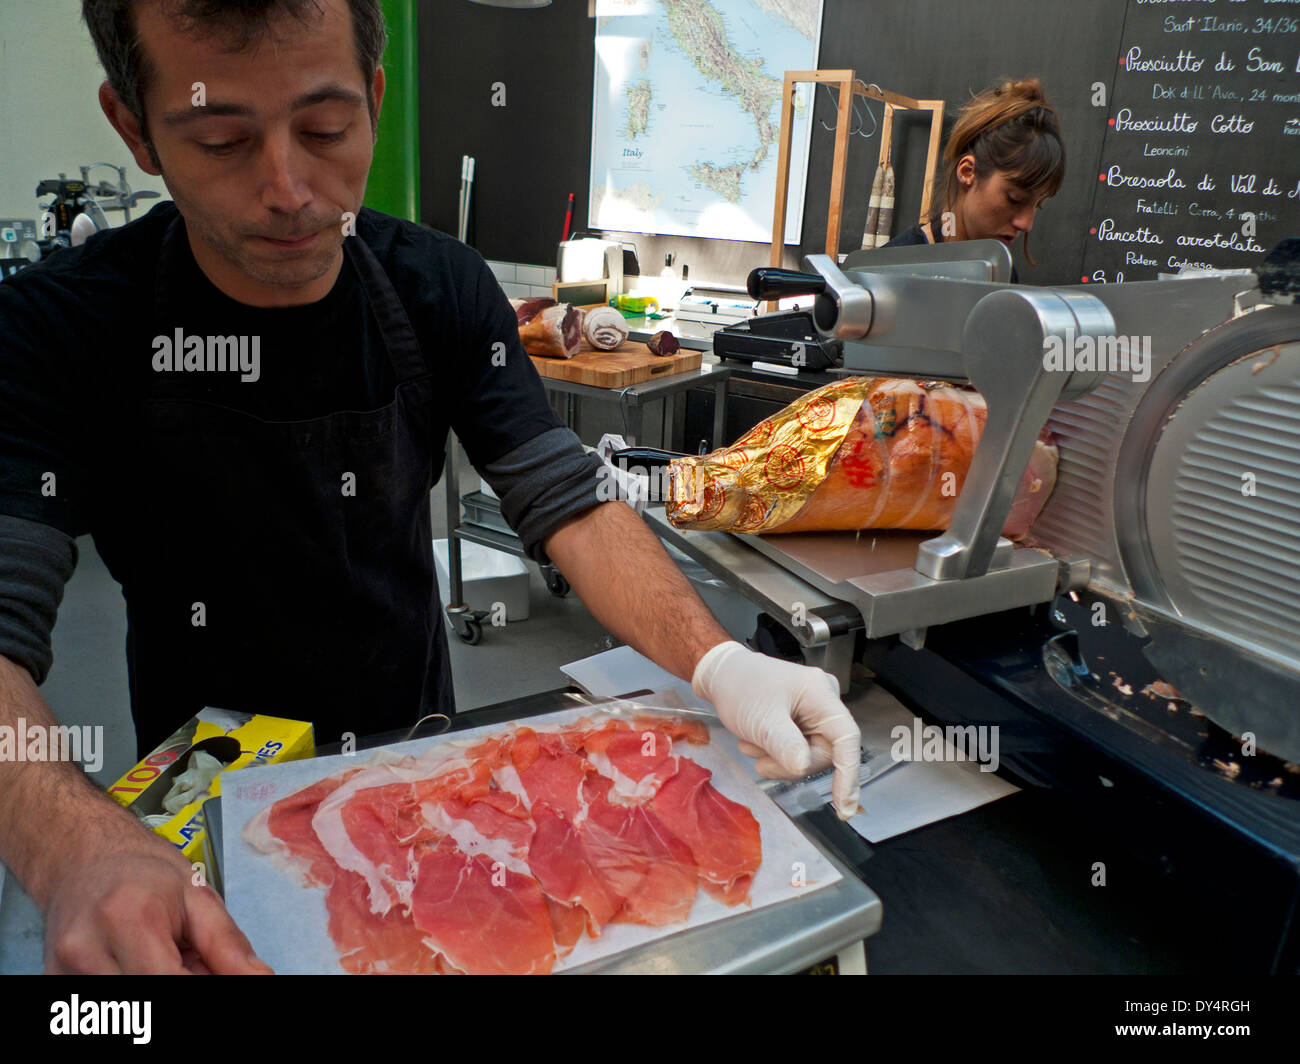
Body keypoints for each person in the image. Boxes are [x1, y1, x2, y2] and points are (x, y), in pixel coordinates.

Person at [0, 0, 861, 974]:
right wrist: (74, 840)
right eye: (222, 138)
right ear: (134, 129)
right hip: (200, 794)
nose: (288, 189)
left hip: (422, 766)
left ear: (371, 98)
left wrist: (716, 663)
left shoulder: (437, 286)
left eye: (325, 131)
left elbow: (568, 502)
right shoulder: (55, 330)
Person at [884, 77, 1065, 281]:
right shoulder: (888, 273)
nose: (1026, 223)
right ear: (967, 172)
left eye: (1037, 205)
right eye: (1014, 198)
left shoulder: (1002, 275)